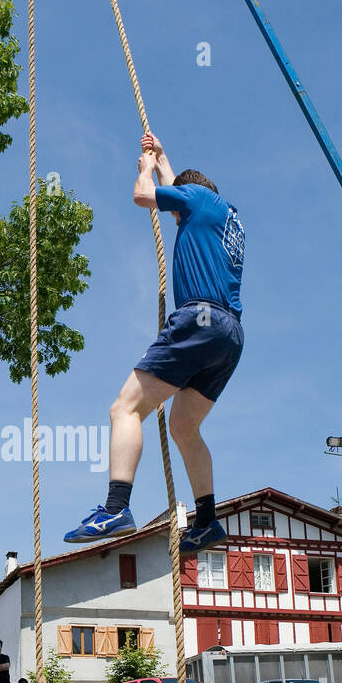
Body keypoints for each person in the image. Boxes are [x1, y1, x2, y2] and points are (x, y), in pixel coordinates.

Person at [64, 129, 244, 555]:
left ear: (189, 195)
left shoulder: (196, 199)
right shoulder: (226, 214)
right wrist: (163, 157)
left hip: (196, 321)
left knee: (125, 408)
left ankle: (115, 508)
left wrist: (147, 170)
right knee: (183, 425)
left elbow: (146, 196)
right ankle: (207, 521)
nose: (176, 217)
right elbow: (181, 194)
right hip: (230, 335)